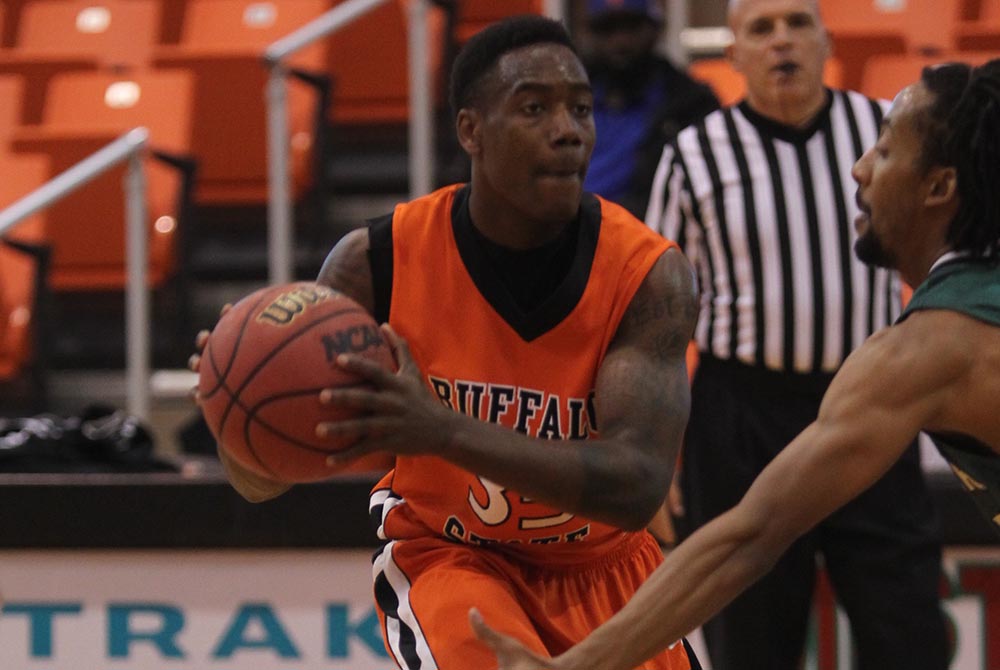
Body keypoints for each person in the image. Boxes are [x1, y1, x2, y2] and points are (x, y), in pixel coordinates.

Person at [194, 15, 703, 670]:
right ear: (471, 131)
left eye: (580, 108)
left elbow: (635, 488)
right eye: (535, 108)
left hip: (605, 570)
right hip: (454, 559)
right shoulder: (378, 262)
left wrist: (439, 429)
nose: (568, 130)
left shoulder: (648, 275)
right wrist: (236, 407)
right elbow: (262, 482)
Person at [471, 56, 1000, 670]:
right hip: (742, 401)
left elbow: (748, 539)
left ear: (938, 187)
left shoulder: (928, 351)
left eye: (883, 154)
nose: (857, 169)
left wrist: (575, 666)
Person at [647, 0, 951, 668]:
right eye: (761, 28)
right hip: (740, 420)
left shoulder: (883, 131)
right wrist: (654, 449)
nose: (781, 40)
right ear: (732, 56)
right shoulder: (692, 155)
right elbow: (655, 322)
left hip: (870, 402)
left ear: (826, 41)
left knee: (910, 633)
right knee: (752, 642)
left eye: (796, 23)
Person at [581, 0, 718, 218]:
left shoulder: (691, 104)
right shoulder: (566, 99)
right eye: (607, 28)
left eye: (632, 26)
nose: (620, 41)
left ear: (656, 29)